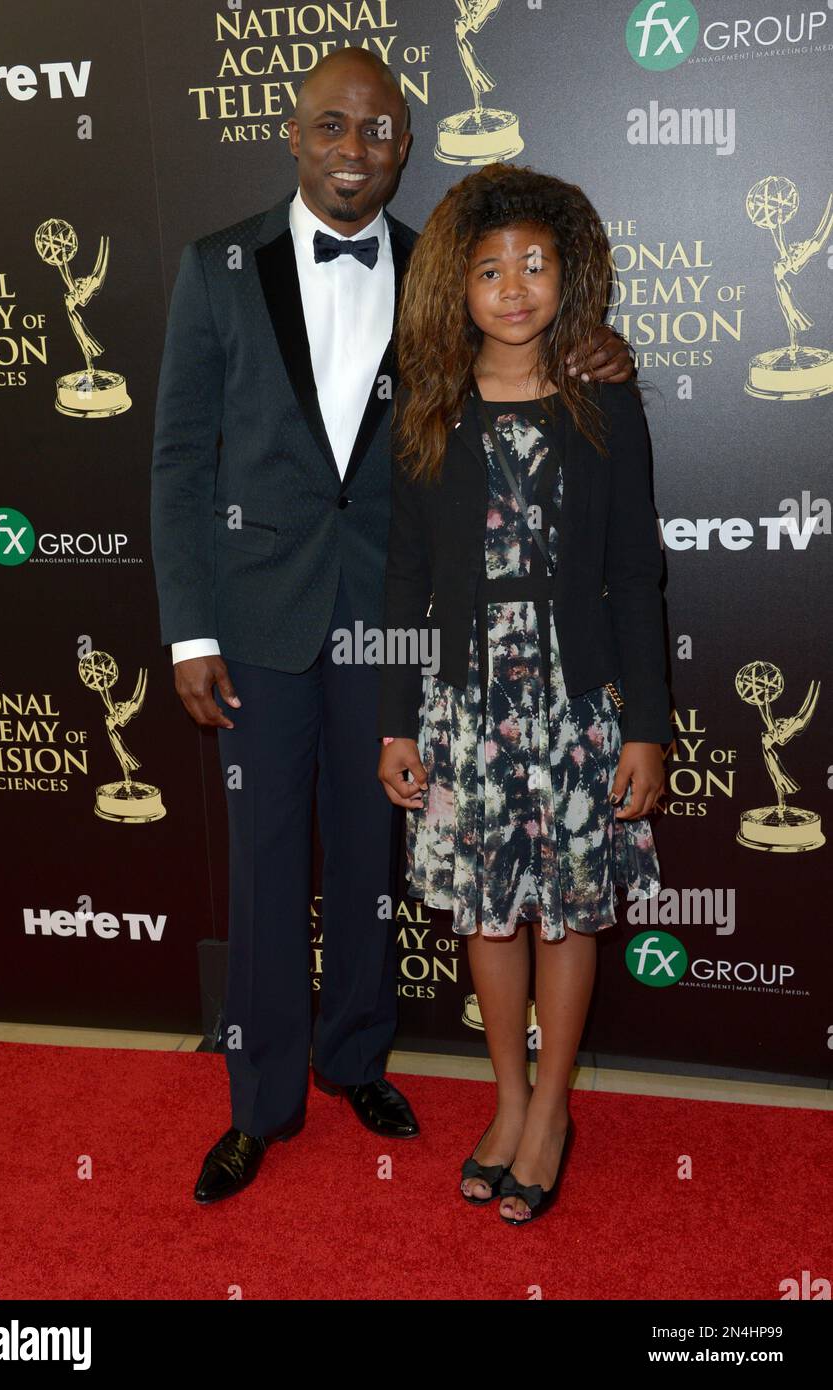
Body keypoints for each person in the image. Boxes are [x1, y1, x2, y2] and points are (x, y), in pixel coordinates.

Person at [150, 49, 638, 1207]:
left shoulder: (444, 271)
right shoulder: (216, 266)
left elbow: (527, 353)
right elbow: (179, 457)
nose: (354, 148)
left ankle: (355, 1059)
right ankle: (259, 1103)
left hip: (396, 623)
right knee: (267, 869)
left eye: (377, 130)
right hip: (259, 620)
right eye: (332, 125)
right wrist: (186, 631)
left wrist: (591, 349)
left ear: (403, 145)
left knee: (371, 854)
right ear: (292, 133)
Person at [376, 163, 673, 1224]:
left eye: (533, 264)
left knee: (566, 913)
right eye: (490, 267)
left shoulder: (604, 395)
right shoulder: (432, 404)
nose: (512, 287)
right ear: (456, 282)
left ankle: (550, 1110)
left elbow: (635, 570)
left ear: (567, 273)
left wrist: (645, 724)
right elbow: (402, 574)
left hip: (576, 702)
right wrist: (393, 722)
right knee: (489, 915)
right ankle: (503, 1098)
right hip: (462, 705)